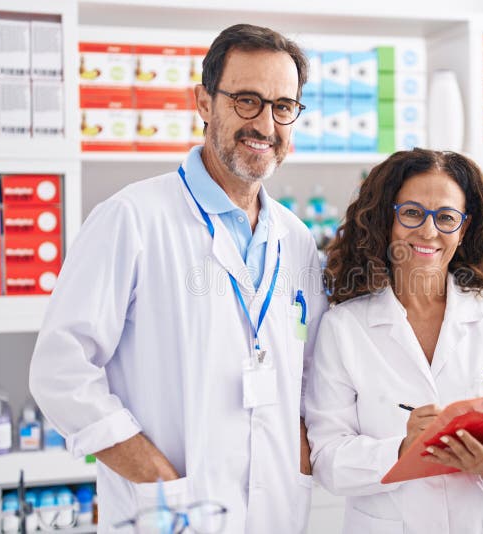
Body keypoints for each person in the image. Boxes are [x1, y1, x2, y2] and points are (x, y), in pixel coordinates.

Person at [30, 24, 327, 533]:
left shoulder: (296, 239)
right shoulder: (131, 218)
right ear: (205, 103)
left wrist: (297, 460)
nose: (265, 123)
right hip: (167, 515)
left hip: (276, 514)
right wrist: (157, 480)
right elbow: (59, 371)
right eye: (247, 100)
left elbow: (309, 375)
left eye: (283, 107)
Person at [305, 149, 483, 533]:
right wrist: (400, 450)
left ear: (463, 229)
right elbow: (326, 457)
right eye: (412, 213)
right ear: (387, 220)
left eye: (445, 218)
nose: (428, 231)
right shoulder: (344, 328)